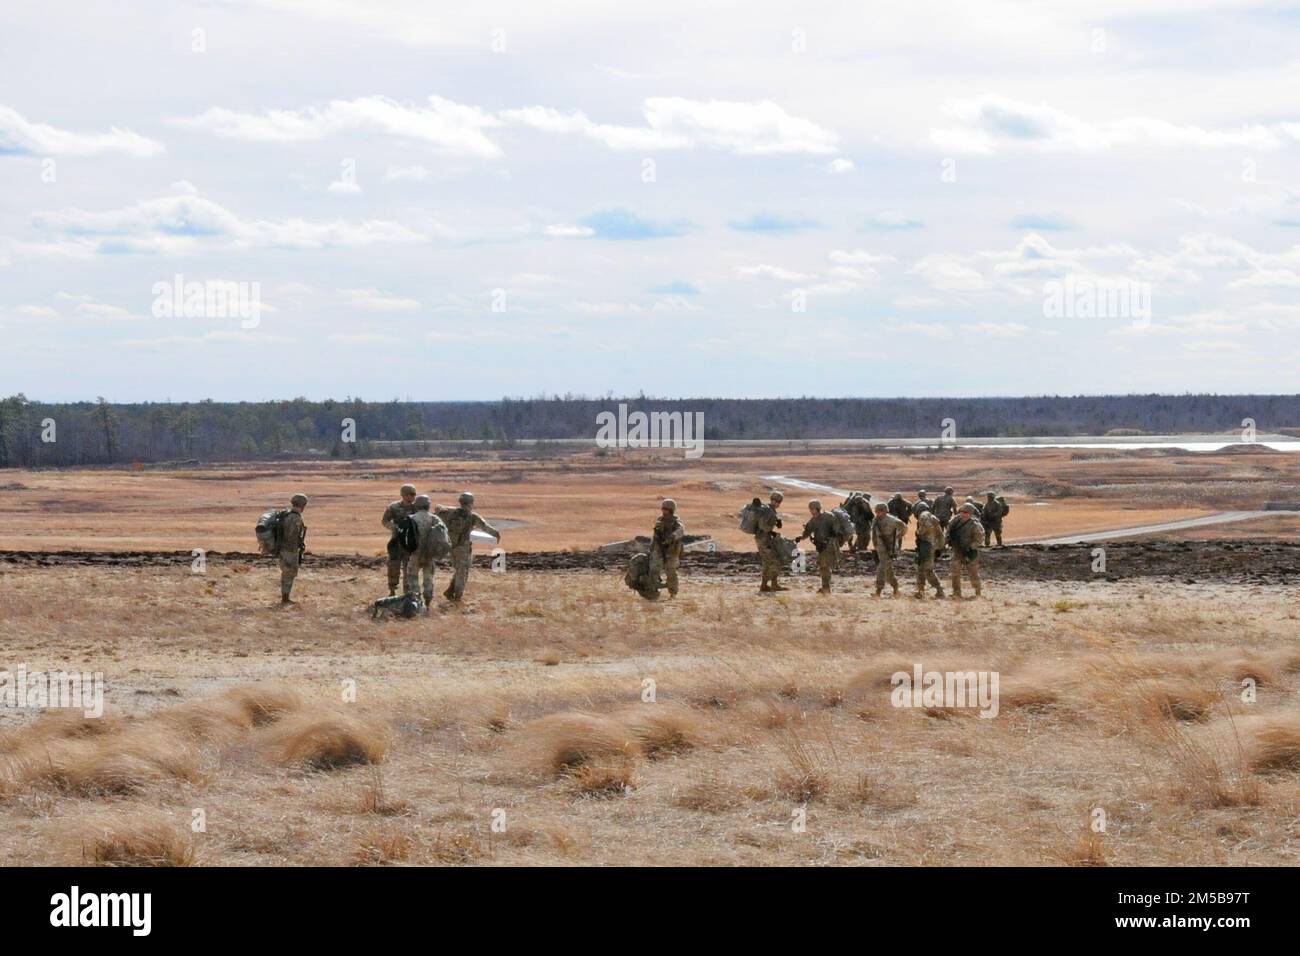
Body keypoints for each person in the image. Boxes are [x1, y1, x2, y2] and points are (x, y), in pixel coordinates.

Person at [436, 492, 501, 603]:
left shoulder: (450, 513)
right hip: (463, 549)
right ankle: (457, 598)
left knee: (459, 571)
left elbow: (438, 510)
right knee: (463, 573)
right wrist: (496, 534)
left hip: (451, 547)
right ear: (471, 503)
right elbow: (486, 527)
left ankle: (450, 592)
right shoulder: (472, 516)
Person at [402, 495, 447, 607]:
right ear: (428, 505)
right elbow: (444, 533)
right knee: (428, 579)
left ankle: (416, 601)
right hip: (429, 555)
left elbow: (403, 536)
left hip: (415, 554)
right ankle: (427, 601)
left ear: (417, 505)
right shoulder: (435, 519)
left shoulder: (411, 518)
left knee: (412, 577)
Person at [794, 499, 838, 594]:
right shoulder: (819, 519)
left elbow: (836, 531)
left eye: (812, 509)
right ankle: (826, 588)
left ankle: (826, 589)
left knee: (824, 567)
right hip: (823, 547)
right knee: (824, 567)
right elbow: (806, 533)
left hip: (827, 546)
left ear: (817, 509)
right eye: (810, 509)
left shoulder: (826, 517)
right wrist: (800, 537)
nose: (811, 511)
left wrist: (830, 538)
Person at [382, 484, 418, 596]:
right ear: (403, 495)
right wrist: (395, 527)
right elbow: (385, 521)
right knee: (393, 566)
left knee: (409, 568)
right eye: (409, 494)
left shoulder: (416, 508)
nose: (412, 497)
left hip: (410, 543)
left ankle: (407, 592)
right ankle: (392, 590)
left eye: (413, 494)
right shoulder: (393, 507)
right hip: (396, 542)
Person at [947, 502, 985, 599]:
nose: (963, 514)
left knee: (973, 572)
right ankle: (956, 592)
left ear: (971, 513)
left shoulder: (975, 525)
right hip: (957, 551)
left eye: (966, 512)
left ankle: (978, 592)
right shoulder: (955, 521)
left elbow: (979, 540)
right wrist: (948, 541)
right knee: (955, 571)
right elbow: (948, 532)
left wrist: (970, 547)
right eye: (962, 511)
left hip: (969, 552)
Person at [649, 499, 685, 597]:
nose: (663, 511)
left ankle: (673, 592)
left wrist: (671, 537)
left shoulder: (676, 521)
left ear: (671, 510)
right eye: (663, 508)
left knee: (671, 571)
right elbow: (655, 535)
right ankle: (652, 591)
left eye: (666, 509)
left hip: (671, 550)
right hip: (659, 549)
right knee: (653, 569)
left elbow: (680, 531)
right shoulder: (660, 520)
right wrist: (652, 547)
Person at [870, 501, 905, 597]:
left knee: (881, 567)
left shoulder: (892, 520)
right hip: (880, 548)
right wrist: (875, 544)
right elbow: (873, 532)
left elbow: (904, 527)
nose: (878, 513)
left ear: (885, 511)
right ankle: (895, 587)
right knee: (888, 570)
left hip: (890, 548)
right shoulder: (875, 520)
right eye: (877, 511)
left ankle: (878, 591)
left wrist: (898, 536)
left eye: (880, 511)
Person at [278, 493, 308, 605]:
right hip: (290, 550)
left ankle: (285, 597)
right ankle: (285, 598)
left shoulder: (286, 515)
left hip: (283, 549)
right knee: (289, 573)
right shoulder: (295, 518)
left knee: (287, 573)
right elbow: (291, 535)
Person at [912, 503, 946, 599]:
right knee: (921, 568)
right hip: (930, 545)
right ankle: (920, 590)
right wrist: (939, 546)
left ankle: (939, 590)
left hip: (926, 545)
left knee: (927, 569)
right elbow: (940, 533)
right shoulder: (933, 517)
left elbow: (925, 528)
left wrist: (918, 532)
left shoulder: (923, 516)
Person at [756, 490, 787, 593]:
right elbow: (763, 526)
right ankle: (773, 585)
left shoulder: (768, 509)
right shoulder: (769, 511)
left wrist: (775, 523)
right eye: (778, 501)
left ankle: (764, 586)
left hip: (762, 539)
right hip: (764, 540)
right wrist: (770, 531)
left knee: (767, 562)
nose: (778, 504)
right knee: (775, 561)